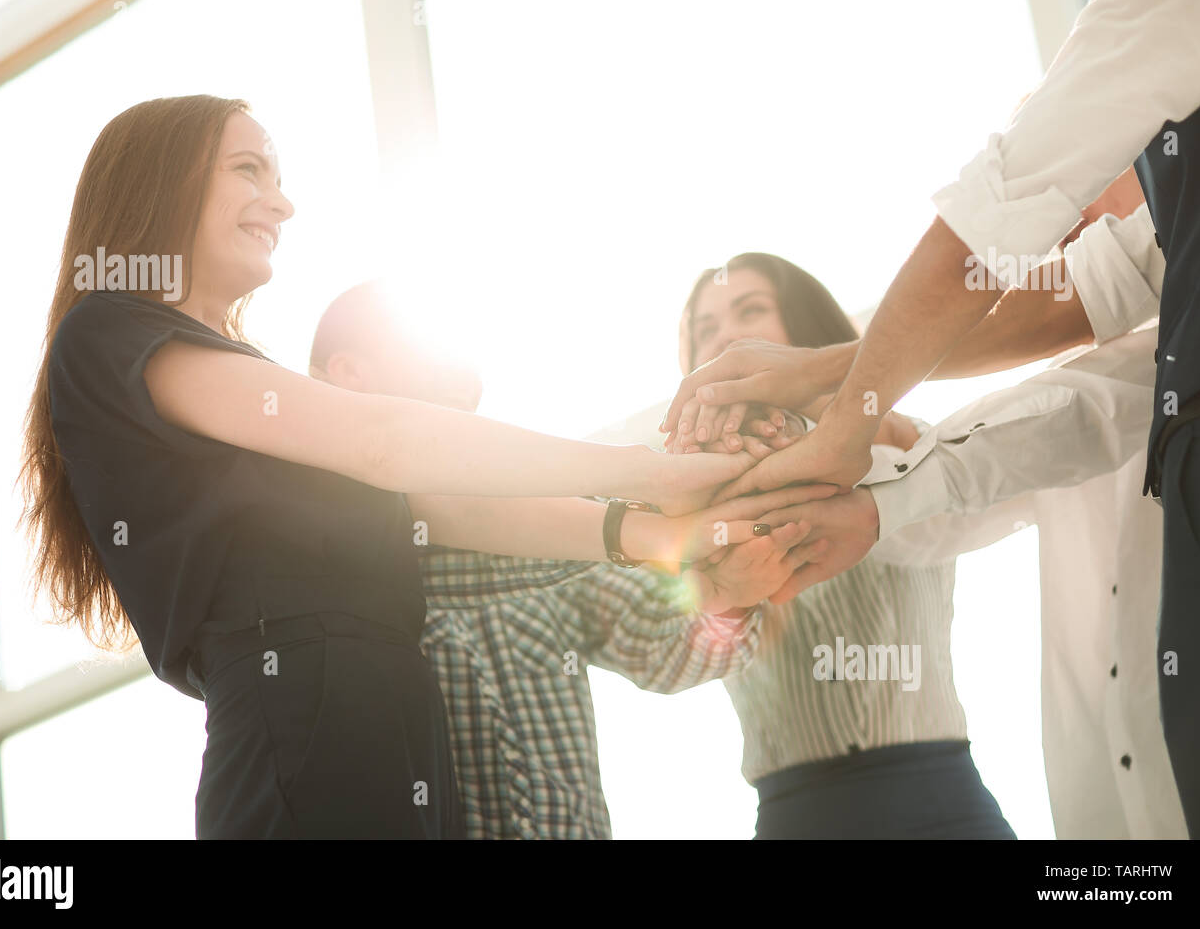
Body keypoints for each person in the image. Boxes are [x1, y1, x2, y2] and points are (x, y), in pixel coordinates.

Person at [17, 95, 804, 839]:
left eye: (280, 178)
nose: (282, 203)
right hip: (303, 724)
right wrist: (650, 472)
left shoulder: (244, 392)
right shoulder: (110, 333)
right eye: (249, 170)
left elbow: (447, 506)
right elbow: (386, 442)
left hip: (393, 724)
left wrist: (667, 529)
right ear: (161, 177)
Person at [662, 0, 1200, 837]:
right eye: (708, 327)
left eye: (1090, 180)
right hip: (1106, 814)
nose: (1062, 228)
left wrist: (846, 411)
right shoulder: (1144, 314)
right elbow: (1078, 360)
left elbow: (1026, 238)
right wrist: (840, 415)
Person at [307, 280, 830, 838]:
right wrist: (680, 499)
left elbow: (668, 653)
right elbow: (432, 546)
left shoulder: (557, 533)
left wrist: (729, 596)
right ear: (348, 374)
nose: (469, 383)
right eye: (432, 356)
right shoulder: (305, 530)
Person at [672, 253, 1016, 839]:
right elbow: (688, 649)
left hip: (946, 802)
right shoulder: (685, 495)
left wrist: (835, 406)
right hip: (797, 813)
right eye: (705, 328)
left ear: (803, 329)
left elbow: (987, 504)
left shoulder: (896, 436)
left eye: (749, 311)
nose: (724, 335)